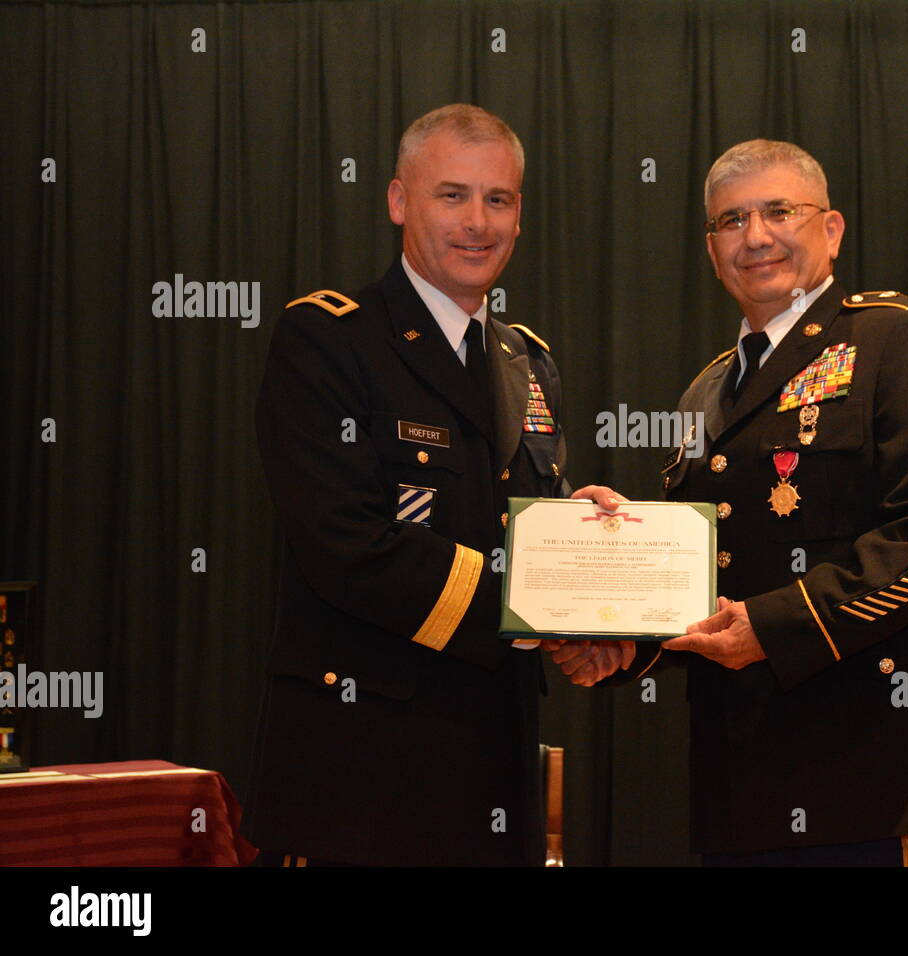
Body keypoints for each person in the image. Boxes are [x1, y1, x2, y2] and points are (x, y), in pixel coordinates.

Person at [241, 104, 628, 866]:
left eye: (499, 199)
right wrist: (546, 602)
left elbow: (511, 524)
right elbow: (347, 545)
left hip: (494, 761)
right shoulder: (329, 338)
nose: (477, 222)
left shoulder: (527, 360)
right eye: (452, 195)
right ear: (397, 201)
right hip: (362, 770)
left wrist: (579, 535)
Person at [616, 139, 908, 865]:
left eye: (777, 211)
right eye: (731, 221)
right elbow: (707, 578)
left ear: (831, 230)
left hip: (873, 788)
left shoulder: (900, 336)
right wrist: (619, 628)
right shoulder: (706, 391)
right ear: (711, 248)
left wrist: (776, 624)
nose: (754, 236)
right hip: (737, 792)